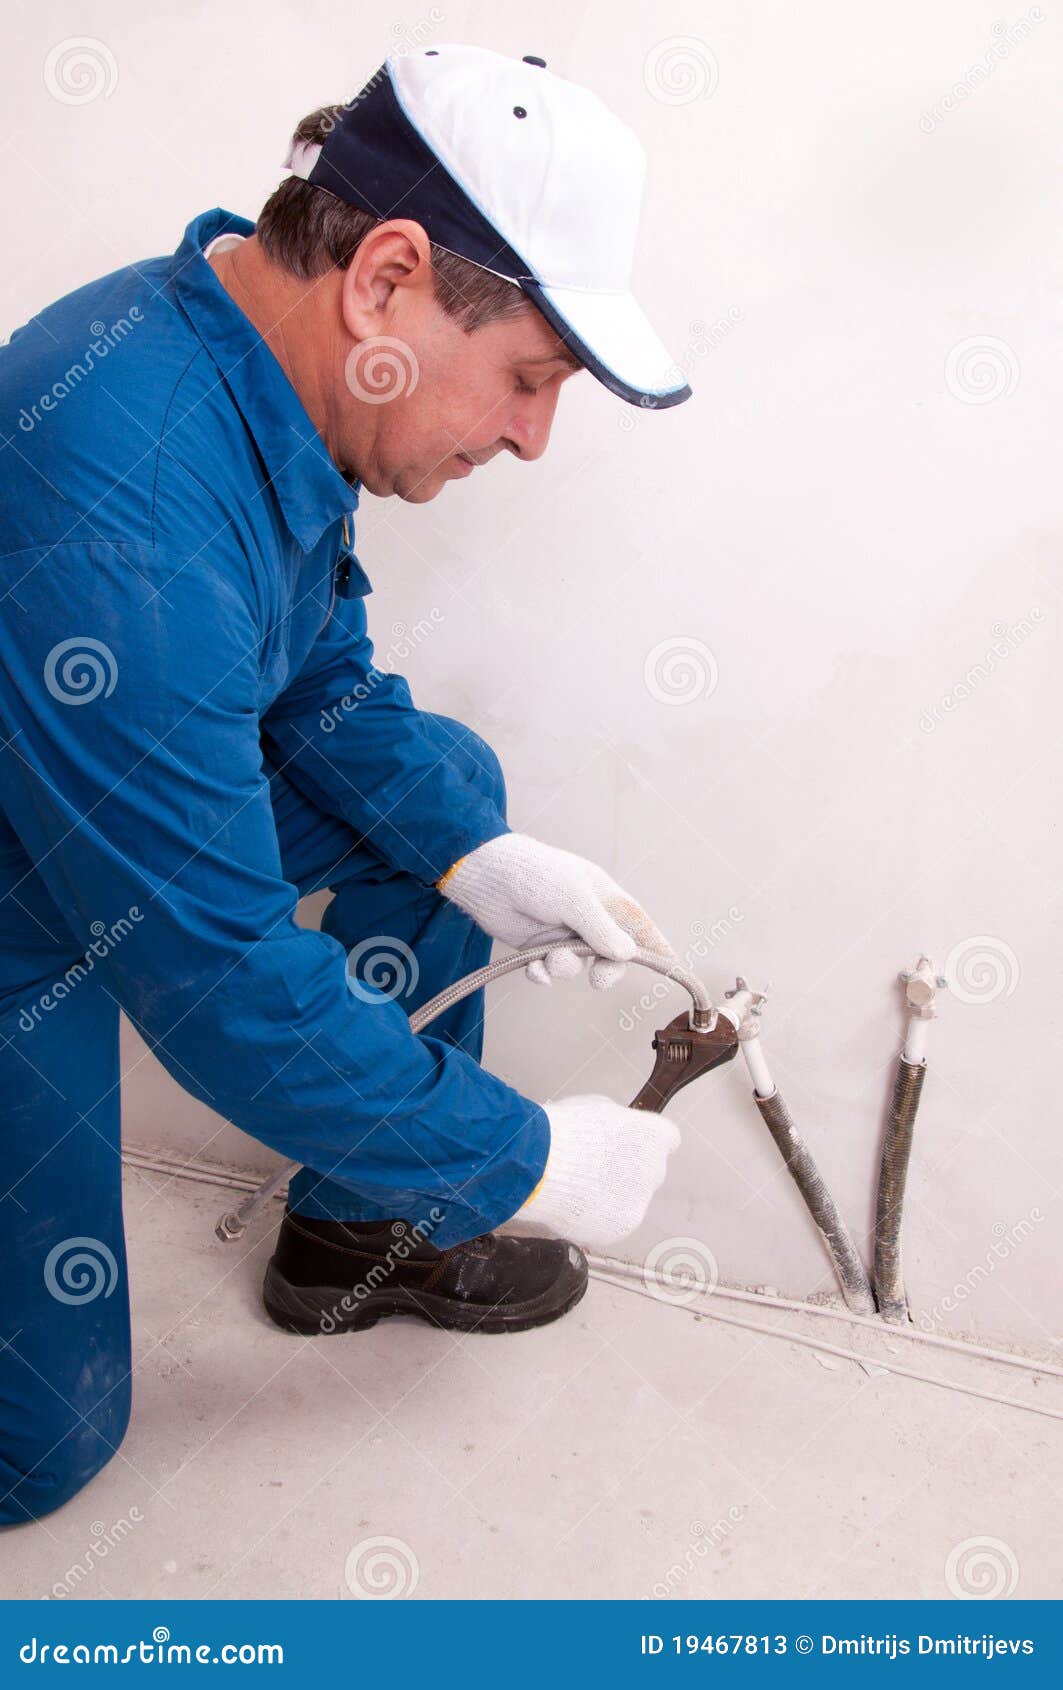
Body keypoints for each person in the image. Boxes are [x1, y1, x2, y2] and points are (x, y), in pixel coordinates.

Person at [0, 44, 692, 1525]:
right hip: (22, 900)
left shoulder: (263, 389)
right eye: (525, 378)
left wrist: (475, 853)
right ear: (384, 280)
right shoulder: (125, 496)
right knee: (35, 1445)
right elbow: (222, 985)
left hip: (89, 807)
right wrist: (522, 1158)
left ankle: (356, 1225)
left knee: (439, 783)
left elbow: (315, 690)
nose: (530, 434)